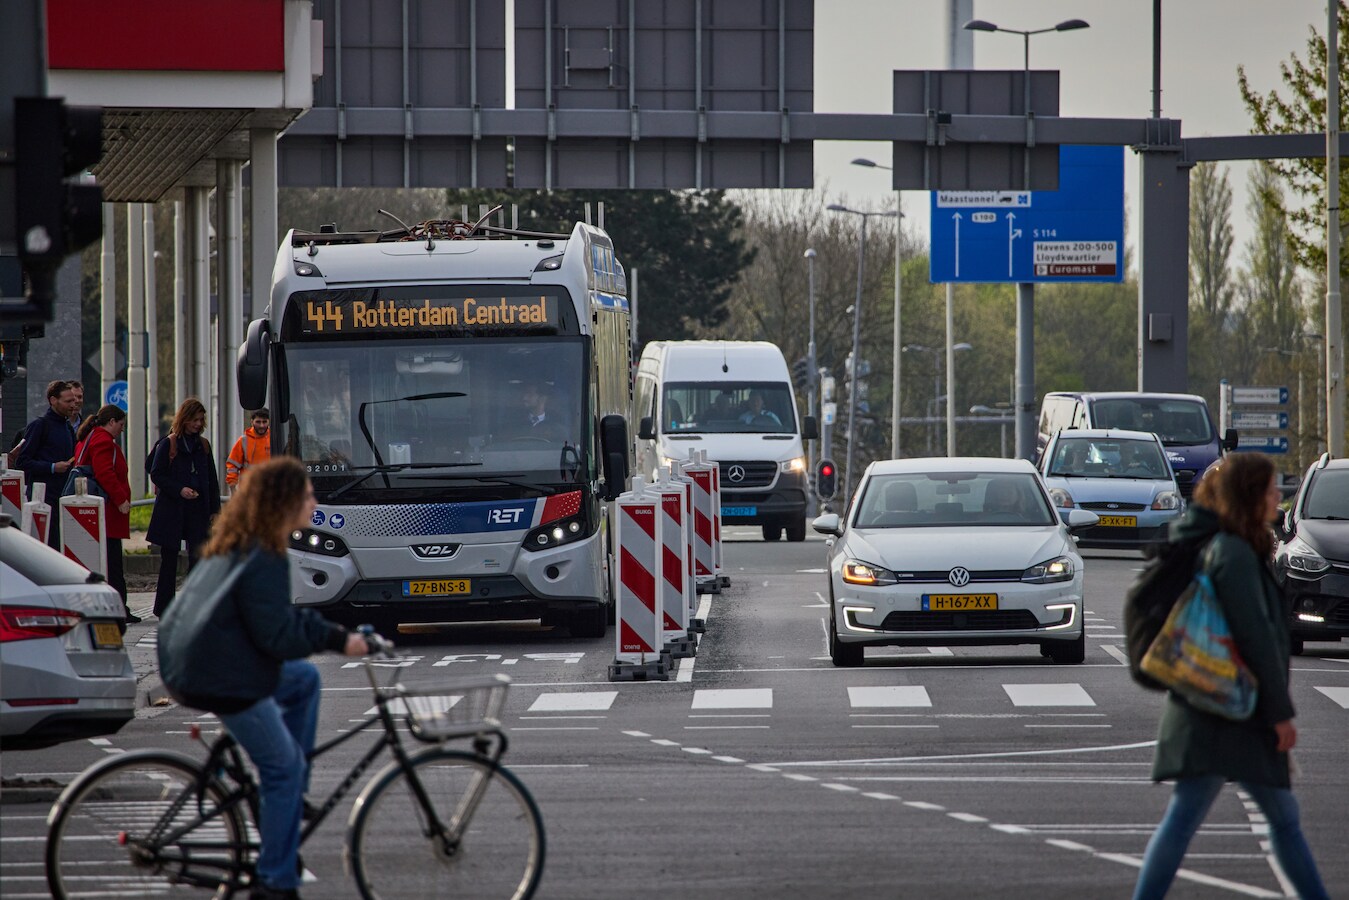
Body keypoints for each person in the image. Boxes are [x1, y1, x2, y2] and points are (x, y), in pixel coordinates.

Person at [160, 457, 371, 900]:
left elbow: (269, 626)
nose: (314, 502)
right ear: (285, 502)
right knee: (283, 768)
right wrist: (338, 639)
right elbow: (277, 636)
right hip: (219, 673)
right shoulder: (265, 557)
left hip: (199, 660)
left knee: (303, 681)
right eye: (308, 496)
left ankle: (293, 798)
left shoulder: (240, 544)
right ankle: (276, 882)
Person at [1132, 453, 1329, 900]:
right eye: (1271, 490)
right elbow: (1256, 637)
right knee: (1273, 820)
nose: (1279, 498)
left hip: (1216, 709)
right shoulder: (1236, 554)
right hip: (1229, 712)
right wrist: (1280, 714)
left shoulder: (1230, 546)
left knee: (1267, 818)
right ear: (1249, 497)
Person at [147, 398, 221, 618]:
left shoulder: (203, 445)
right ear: (184, 420)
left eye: (201, 420)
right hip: (173, 510)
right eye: (194, 420)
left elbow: (212, 480)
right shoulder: (169, 443)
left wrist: (215, 509)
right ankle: (165, 608)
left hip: (198, 509)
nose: (198, 424)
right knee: (169, 560)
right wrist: (179, 490)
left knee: (198, 557)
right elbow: (156, 473)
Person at [74, 405, 139, 625]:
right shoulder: (103, 441)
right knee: (113, 562)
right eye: (121, 425)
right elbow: (105, 473)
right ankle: (119, 607)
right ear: (111, 422)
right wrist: (121, 500)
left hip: (98, 511)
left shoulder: (89, 437)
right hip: (108, 512)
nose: (122, 430)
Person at [16, 380, 78, 549]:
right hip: (44, 498)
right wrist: (52, 467)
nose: (73, 405)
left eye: (74, 400)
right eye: (68, 401)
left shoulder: (67, 427)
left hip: (62, 496)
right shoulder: (40, 426)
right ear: (53, 400)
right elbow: (23, 461)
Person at [226, 408, 272, 491]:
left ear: (269, 422)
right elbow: (232, 465)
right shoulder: (244, 440)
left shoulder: (274, 438)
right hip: (249, 489)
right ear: (252, 422)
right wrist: (233, 487)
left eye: (264, 422)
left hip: (270, 488)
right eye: (258, 422)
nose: (261, 425)